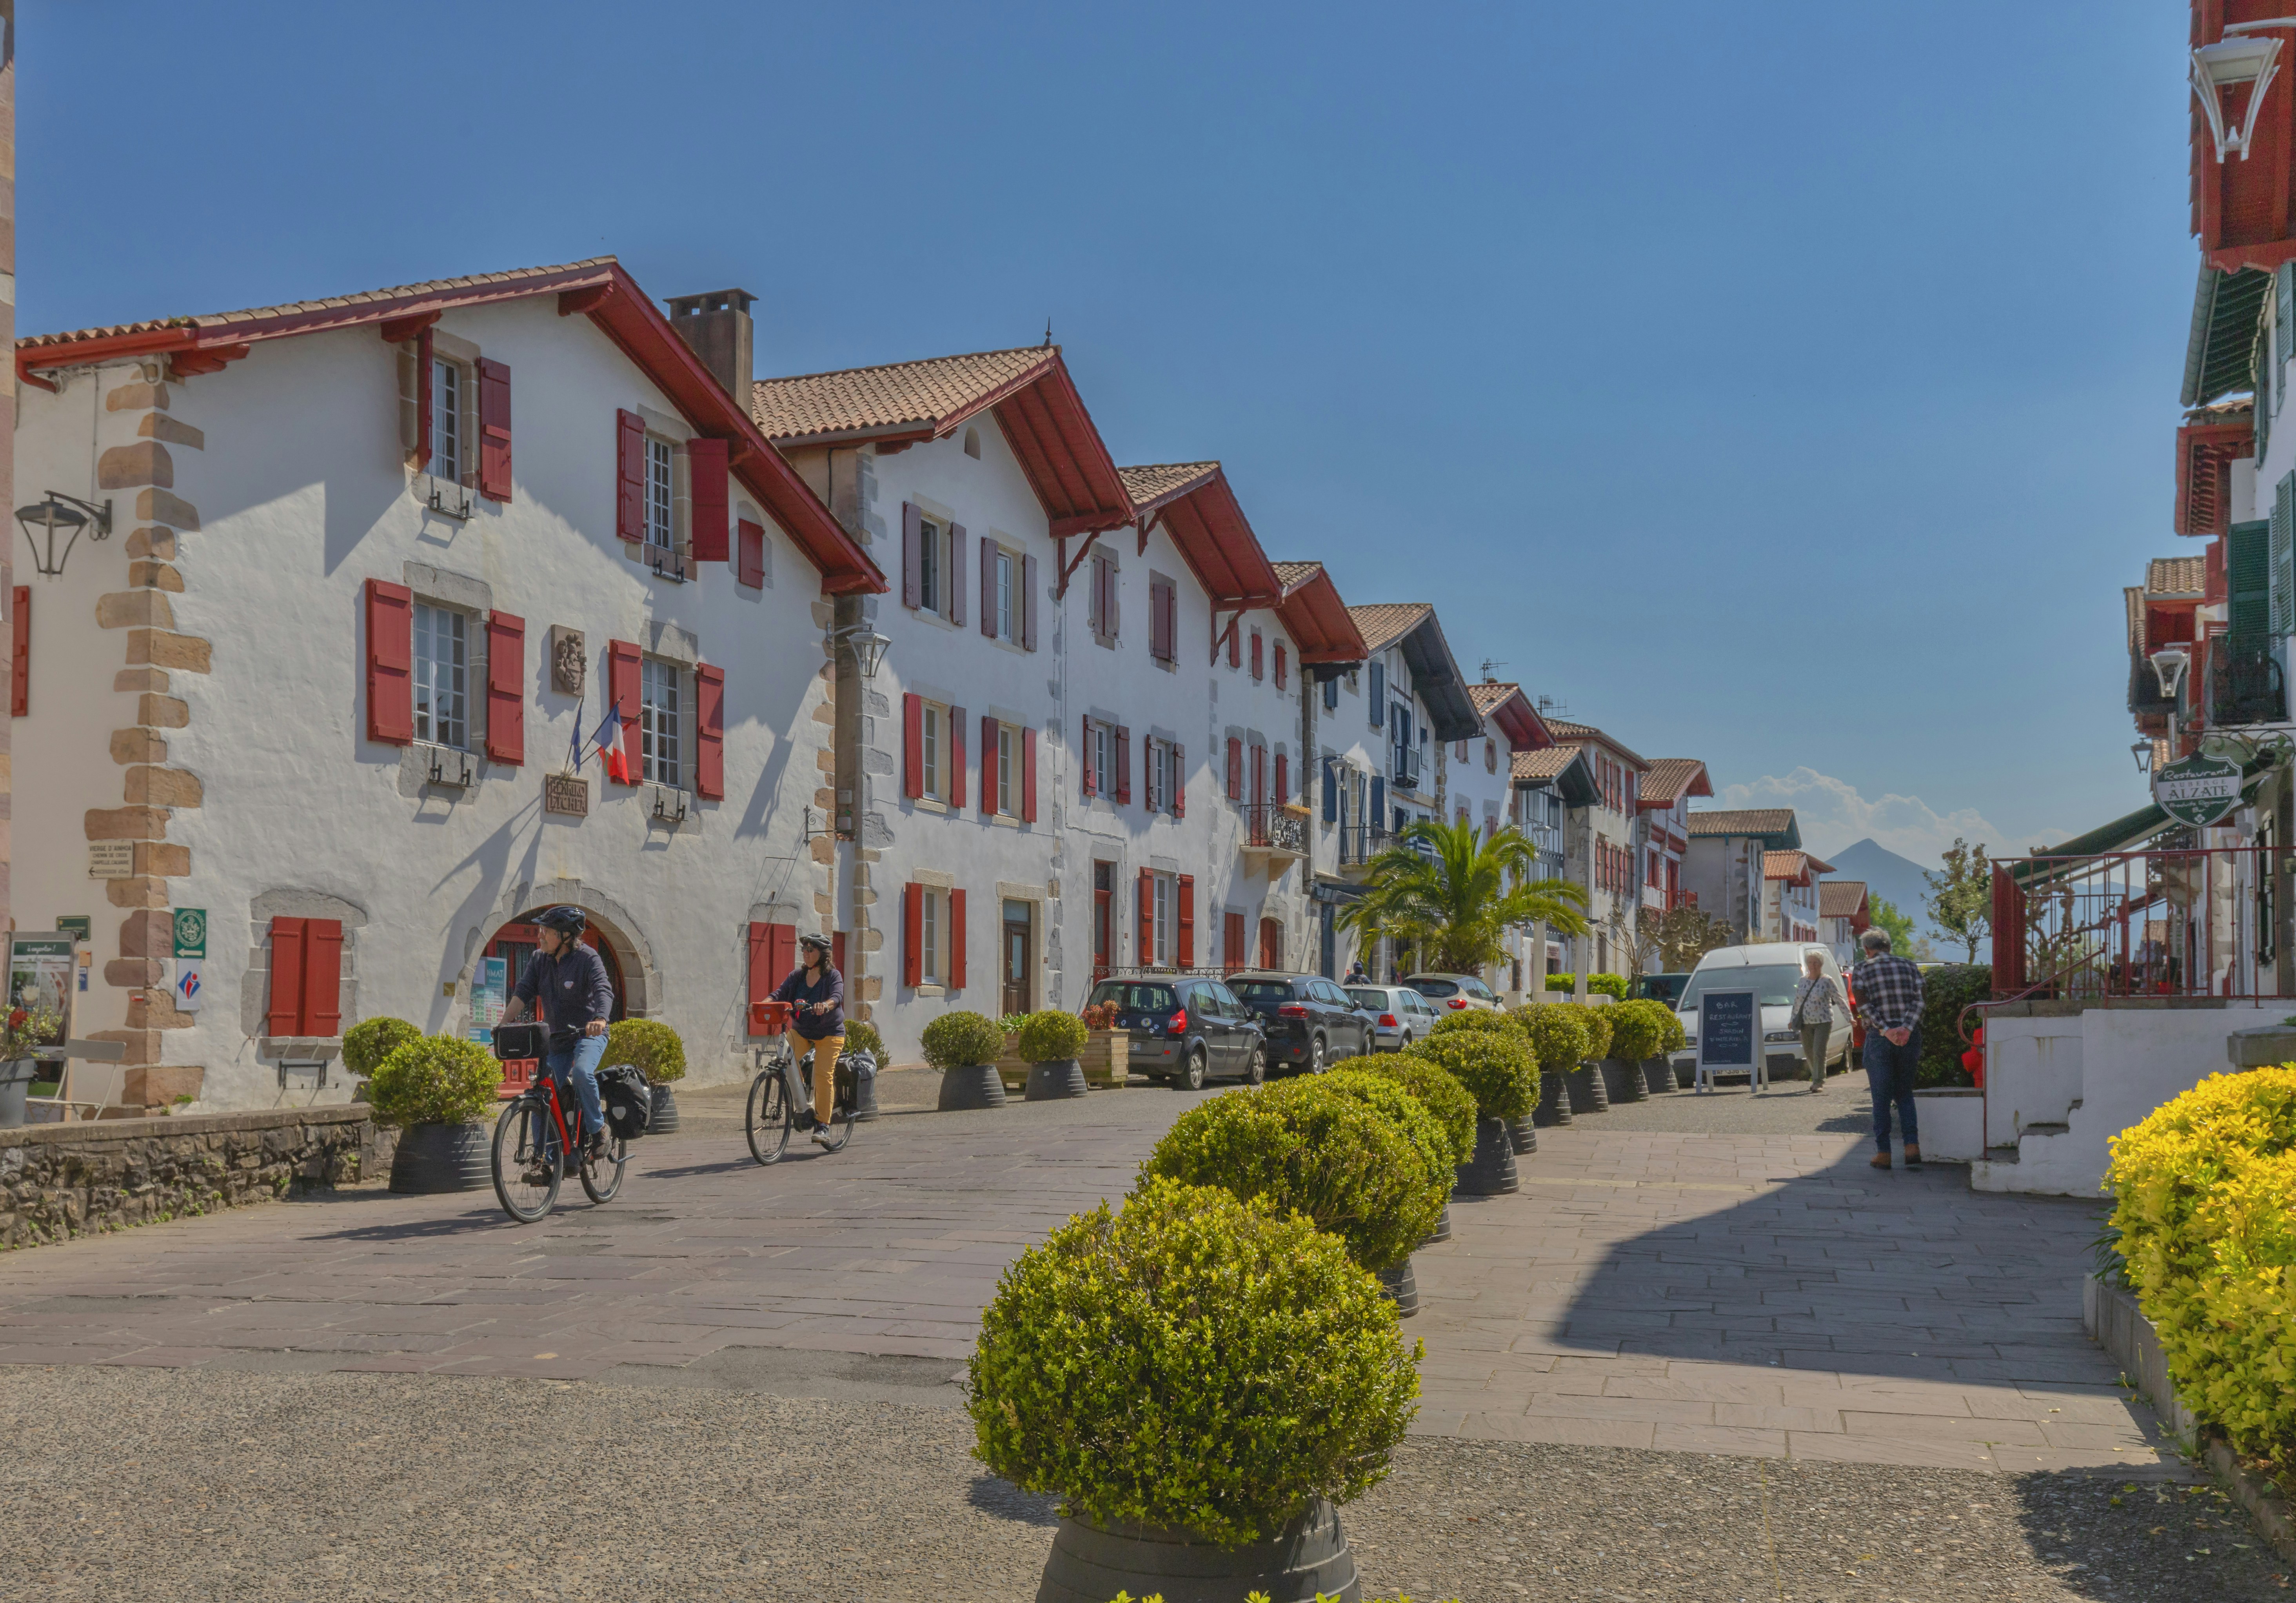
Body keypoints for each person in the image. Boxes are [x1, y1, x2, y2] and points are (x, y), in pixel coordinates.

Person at [503, 906, 614, 1156]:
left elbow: (603, 990)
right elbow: (522, 993)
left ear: (565, 936)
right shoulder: (539, 959)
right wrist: (503, 1024)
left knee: (583, 1072)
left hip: (589, 1034)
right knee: (542, 1090)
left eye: (546, 931)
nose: (539, 936)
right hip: (558, 1039)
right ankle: (545, 1159)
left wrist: (600, 1018)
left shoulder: (588, 958)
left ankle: (598, 1129)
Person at [1852, 928, 1924, 1169]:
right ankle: (1912, 1148)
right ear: (1889, 947)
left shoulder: (1863, 968)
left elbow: (1864, 1006)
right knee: (1904, 1093)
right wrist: (1907, 1028)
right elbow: (1920, 1000)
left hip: (1880, 1038)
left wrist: (1886, 1030)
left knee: (1880, 1098)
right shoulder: (1910, 965)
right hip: (1909, 1037)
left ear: (1867, 950)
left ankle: (1884, 1154)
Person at [770, 932, 845, 1147]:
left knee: (823, 1075)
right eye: (804, 949)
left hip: (830, 1033)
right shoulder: (797, 976)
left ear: (822, 954)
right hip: (803, 1030)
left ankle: (823, 1125)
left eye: (811, 950)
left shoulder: (833, 976)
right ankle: (803, 1101)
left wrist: (827, 1005)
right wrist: (761, 1004)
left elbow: (837, 997)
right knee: (783, 1059)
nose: (806, 953)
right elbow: (779, 994)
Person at [1789, 950, 1841, 1096]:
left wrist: (1850, 1017)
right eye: (1810, 962)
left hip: (1823, 1021)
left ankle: (1819, 1081)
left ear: (1821, 964)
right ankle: (1815, 1078)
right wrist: (1792, 1019)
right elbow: (1798, 1002)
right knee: (1809, 1051)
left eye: (1816, 962)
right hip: (1806, 1022)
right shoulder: (1803, 981)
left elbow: (1839, 999)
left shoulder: (1827, 981)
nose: (1813, 965)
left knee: (1819, 1051)